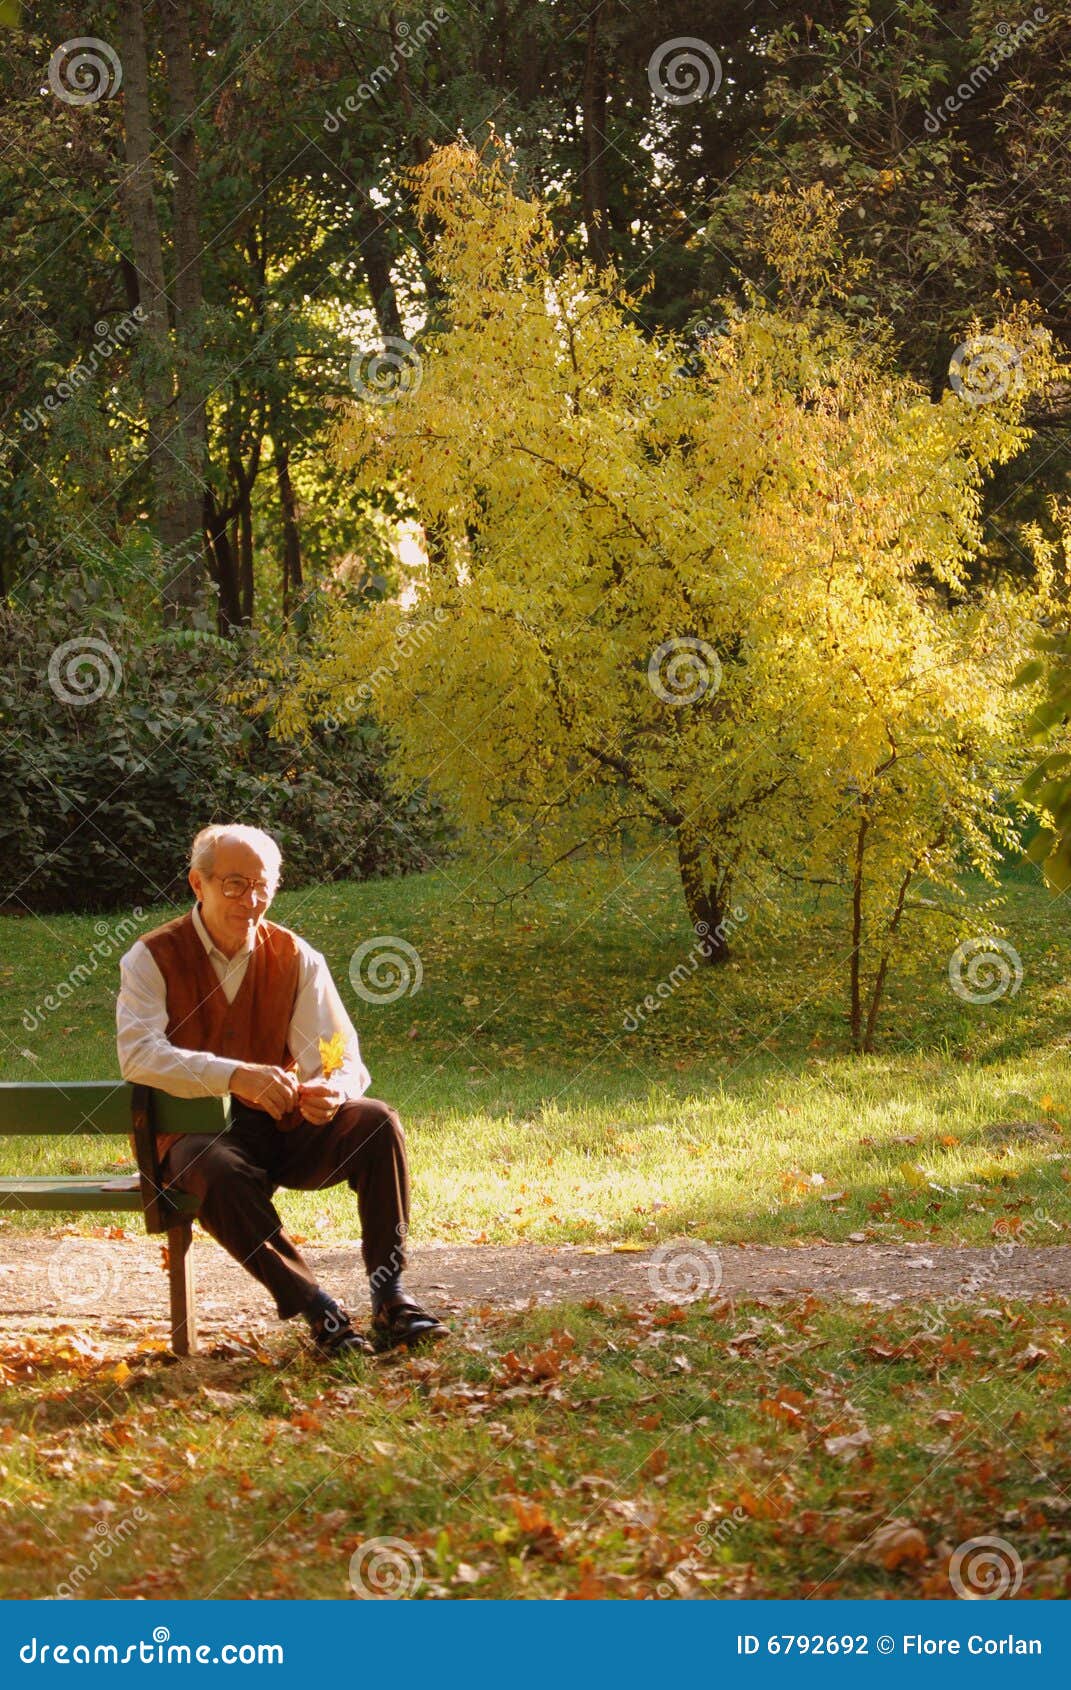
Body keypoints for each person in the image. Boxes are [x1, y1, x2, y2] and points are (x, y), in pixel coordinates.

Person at [115, 822, 445, 1360]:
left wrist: (333, 1089)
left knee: (376, 1122)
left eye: (262, 886)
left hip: (282, 1127)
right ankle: (320, 1311)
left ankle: (390, 1297)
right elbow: (138, 1055)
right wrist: (233, 1075)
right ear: (198, 883)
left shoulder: (295, 956)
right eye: (234, 885)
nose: (251, 900)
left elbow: (340, 1056)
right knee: (216, 1167)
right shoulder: (152, 957)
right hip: (194, 1136)